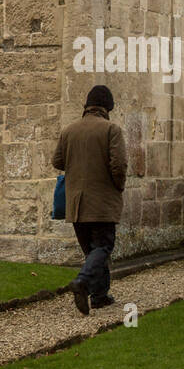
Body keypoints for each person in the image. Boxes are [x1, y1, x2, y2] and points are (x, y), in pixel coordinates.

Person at [51, 84, 127, 316]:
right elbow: (119, 164)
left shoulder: (69, 131)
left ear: (87, 106)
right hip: (102, 202)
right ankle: (82, 282)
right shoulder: (111, 130)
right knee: (103, 246)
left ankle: (100, 296)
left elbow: (57, 161)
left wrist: (79, 162)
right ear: (107, 107)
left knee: (92, 251)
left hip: (76, 204)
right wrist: (118, 185)